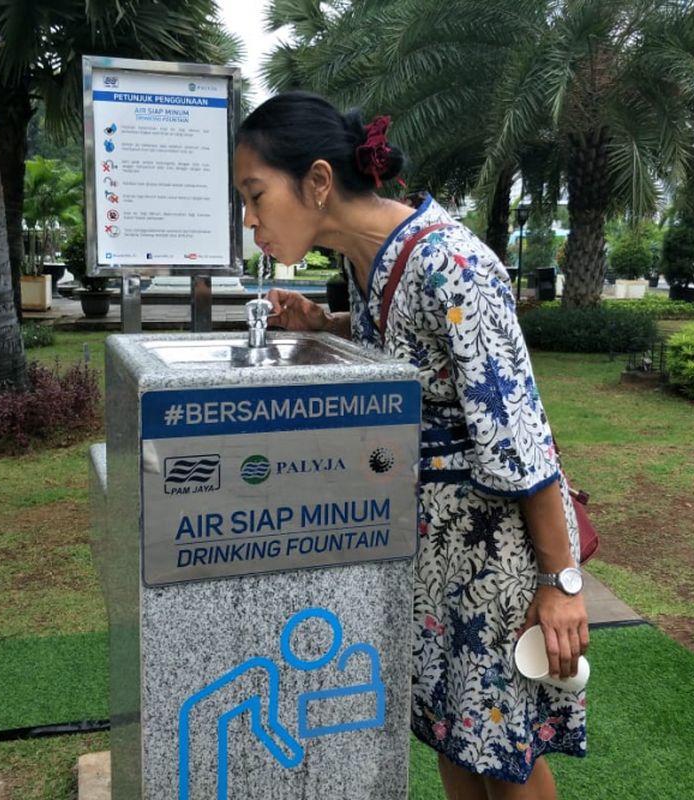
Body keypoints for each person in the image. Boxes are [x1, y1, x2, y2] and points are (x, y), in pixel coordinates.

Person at [234, 91, 587, 799]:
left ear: (319, 181)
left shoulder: (452, 264)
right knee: (451, 734)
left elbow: (520, 433)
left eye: (254, 194)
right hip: (429, 552)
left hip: (495, 556)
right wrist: (322, 321)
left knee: (502, 747)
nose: (250, 219)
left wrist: (559, 584)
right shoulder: (372, 262)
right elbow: (407, 359)